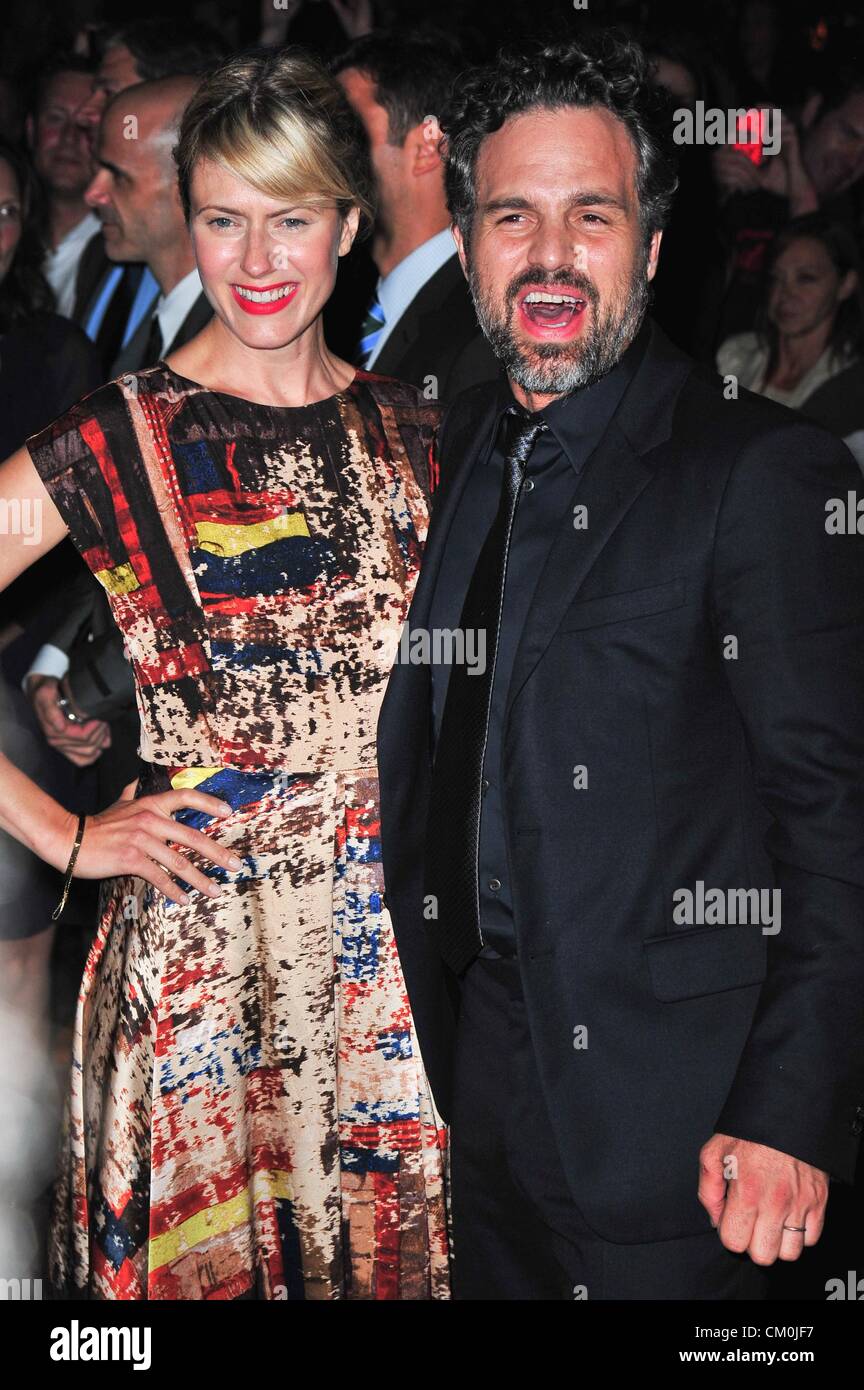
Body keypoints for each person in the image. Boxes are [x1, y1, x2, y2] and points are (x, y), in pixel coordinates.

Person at [376, 32, 864, 1301]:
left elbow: (838, 820)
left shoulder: (757, 472)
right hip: (471, 1082)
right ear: (470, 243)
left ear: (651, 246)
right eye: (511, 216)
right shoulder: (458, 438)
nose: (548, 255)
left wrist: (791, 1109)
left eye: (590, 216)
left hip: (685, 1131)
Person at [0, 44, 448, 1301]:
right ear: (188, 224)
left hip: (385, 978)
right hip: (198, 970)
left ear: (351, 226)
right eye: (223, 222)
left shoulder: (420, 430)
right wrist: (69, 837)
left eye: (291, 220)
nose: (255, 264)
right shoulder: (122, 434)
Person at [333, 30, 499, 400]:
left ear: (428, 148)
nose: (323, 147)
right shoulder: (340, 303)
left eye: (345, 127)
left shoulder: (483, 327)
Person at [716, 213, 862, 410]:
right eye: (776, 278)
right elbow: (721, 419)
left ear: (845, 284)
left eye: (806, 278)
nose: (786, 294)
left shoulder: (849, 382)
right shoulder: (735, 357)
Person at [25, 55, 101, 320]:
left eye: (85, 125)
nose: (69, 138)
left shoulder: (123, 255)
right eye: (56, 119)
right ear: (31, 130)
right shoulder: (11, 232)